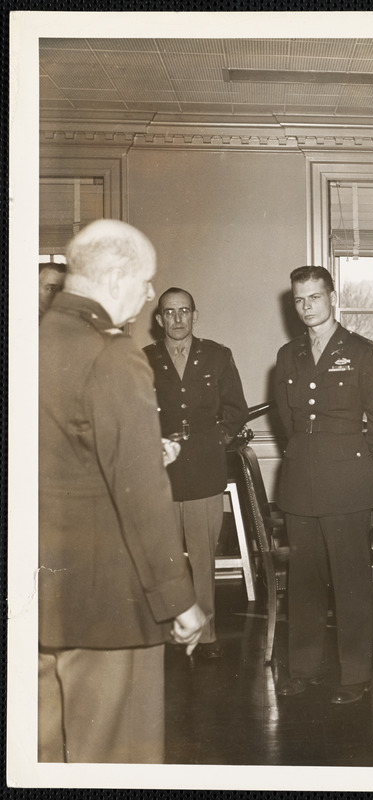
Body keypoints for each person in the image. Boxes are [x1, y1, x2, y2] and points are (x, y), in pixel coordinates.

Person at [38, 219, 206, 763]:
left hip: (39, 603)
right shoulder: (112, 354)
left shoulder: (30, 340)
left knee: (46, 756)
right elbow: (142, 495)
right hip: (111, 607)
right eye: (146, 281)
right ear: (115, 278)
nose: (151, 294)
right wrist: (178, 600)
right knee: (116, 760)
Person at [273, 265, 373, 702]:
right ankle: (304, 667)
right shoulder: (289, 355)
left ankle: (355, 674)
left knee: (350, 580)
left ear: (332, 298)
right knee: (304, 579)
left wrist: (362, 466)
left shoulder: (362, 352)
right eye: (300, 300)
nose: (307, 307)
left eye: (315, 298)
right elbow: (286, 419)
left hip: (347, 481)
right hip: (300, 480)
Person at [144, 287, 248, 659]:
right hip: (163, 476)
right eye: (169, 313)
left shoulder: (218, 356)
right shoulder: (145, 359)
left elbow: (237, 410)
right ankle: (171, 634)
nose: (177, 319)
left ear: (194, 315)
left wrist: (216, 441)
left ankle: (205, 635)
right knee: (165, 559)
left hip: (206, 471)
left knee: (204, 558)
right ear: (159, 320)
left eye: (183, 311)